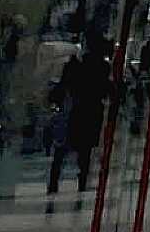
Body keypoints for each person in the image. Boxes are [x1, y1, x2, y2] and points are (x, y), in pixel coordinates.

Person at [45, 40, 112, 199]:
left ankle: (54, 182)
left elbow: (62, 87)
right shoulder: (102, 68)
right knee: (85, 151)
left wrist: (55, 100)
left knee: (62, 149)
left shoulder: (73, 66)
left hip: (73, 111)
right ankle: (82, 181)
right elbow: (105, 89)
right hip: (91, 111)